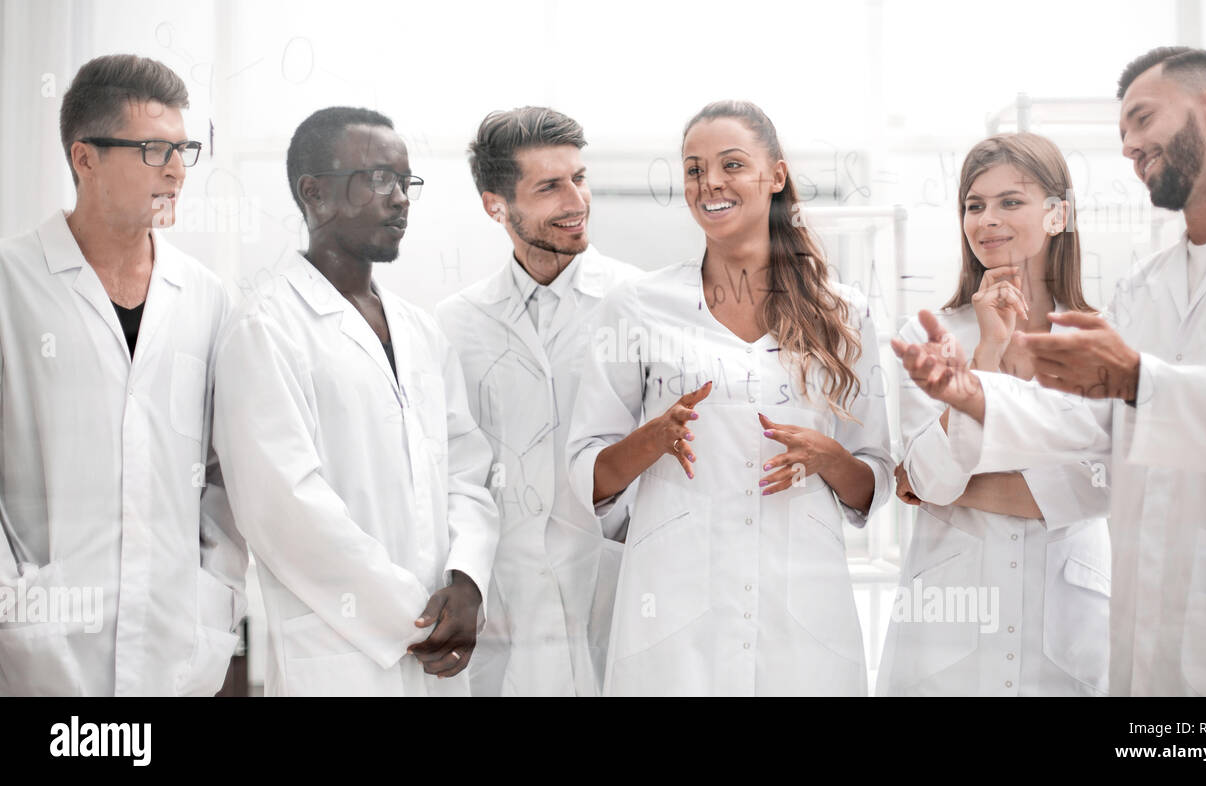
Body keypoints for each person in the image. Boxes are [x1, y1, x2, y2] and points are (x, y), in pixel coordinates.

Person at [892, 47, 1206, 696]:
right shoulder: (1146, 286)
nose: (1130, 148)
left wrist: (1140, 383)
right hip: (1147, 638)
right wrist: (975, 396)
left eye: (1142, 120)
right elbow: (1091, 425)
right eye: (1122, 133)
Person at [566, 100, 893, 696]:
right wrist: (651, 440)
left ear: (776, 176)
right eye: (693, 169)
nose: (709, 183)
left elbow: (874, 480)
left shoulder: (844, 313)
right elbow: (585, 478)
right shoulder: (638, 306)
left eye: (731, 164)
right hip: (673, 612)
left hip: (802, 613)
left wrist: (828, 457)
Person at [212, 107, 499, 696]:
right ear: (313, 193)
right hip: (343, 658)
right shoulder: (265, 328)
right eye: (377, 179)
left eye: (405, 181)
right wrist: (415, 620)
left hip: (441, 650)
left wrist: (467, 582)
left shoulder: (421, 331)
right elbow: (285, 510)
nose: (400, 199)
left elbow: (468, 471)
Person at [0, 54, 245, 696]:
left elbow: (224, 475)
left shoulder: (207, 296)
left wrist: (214, 595)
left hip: (176, 646)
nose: (176, 171)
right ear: (84, 158)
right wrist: (16, 601)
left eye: (183, 149)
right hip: (42, 649)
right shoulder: (10, 284)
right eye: (153, 150)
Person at [878, 133, 1111, 696]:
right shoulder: (928, 334)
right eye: (973, 205)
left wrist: (948, 482)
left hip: (1070, 621)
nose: (987, 220)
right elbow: (931, 477)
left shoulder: (1104, 339)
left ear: (1058, 214)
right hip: (948, 626)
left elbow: (1108, 488)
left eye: (1011, 202)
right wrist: (983, 359)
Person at [436, 107, 641, 696]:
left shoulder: (638, 303)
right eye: (549, 186)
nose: (575, 199)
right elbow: (456, 470)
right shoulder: (457, 324)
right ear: (495, 205)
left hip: (615, 584)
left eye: (579, 177)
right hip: (506, 596)